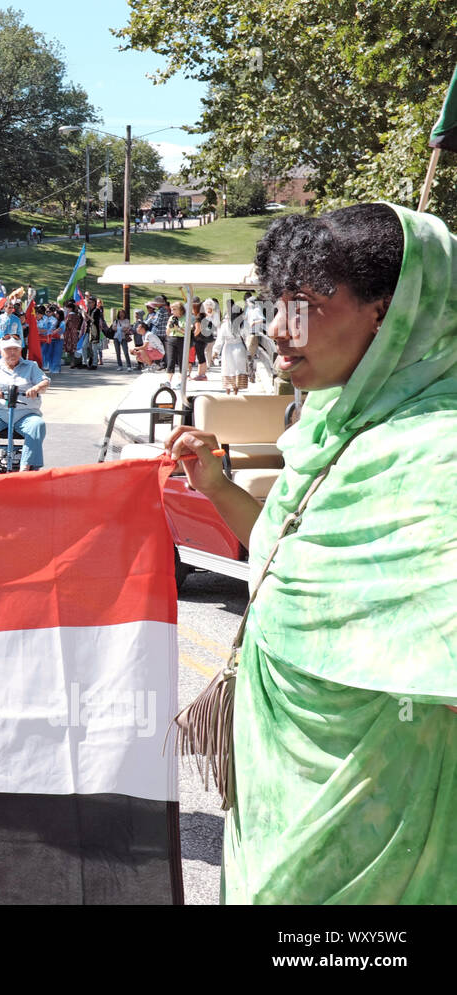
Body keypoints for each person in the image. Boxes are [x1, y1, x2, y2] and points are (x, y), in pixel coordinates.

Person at [166, 203, 457, 904]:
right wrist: (218, 486)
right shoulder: (333, 422)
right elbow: (288, 543)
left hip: (375, 804)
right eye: (276, 304)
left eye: (306, 304)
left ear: (385, 312)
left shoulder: (440, 451)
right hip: (276, 782)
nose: (274, 329)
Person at [0, 333, 48, 472]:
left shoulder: (31, 365)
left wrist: (36, 388)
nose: (12, 352)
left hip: (24, 413)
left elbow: (44, 381)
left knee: (37, 425)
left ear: (21, 350)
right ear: (1, 351)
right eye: (8, 349)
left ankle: (26, 467)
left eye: (16, 349)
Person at [217, 299, 249, 393]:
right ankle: (236, 390)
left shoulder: (225, 325)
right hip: (240, 347)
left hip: (228, 348)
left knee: (227, 368)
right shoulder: (243, 324)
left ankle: (228, 390)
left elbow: (220, 339)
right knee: (238, 368)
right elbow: (247, 337)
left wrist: (215, 351)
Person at [164, 300, 187, 375]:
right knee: (170, 361)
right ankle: (168, 381)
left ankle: (182, 380)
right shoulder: (171, 318)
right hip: (171, 340)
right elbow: (167, 333)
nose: (172, 311)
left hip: (182, 340)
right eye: (171, 309)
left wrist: (178, 328)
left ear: (180, 310)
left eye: (174, 309)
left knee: (181, 361)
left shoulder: (186, 318)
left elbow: (187, 332)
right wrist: (170, 327)